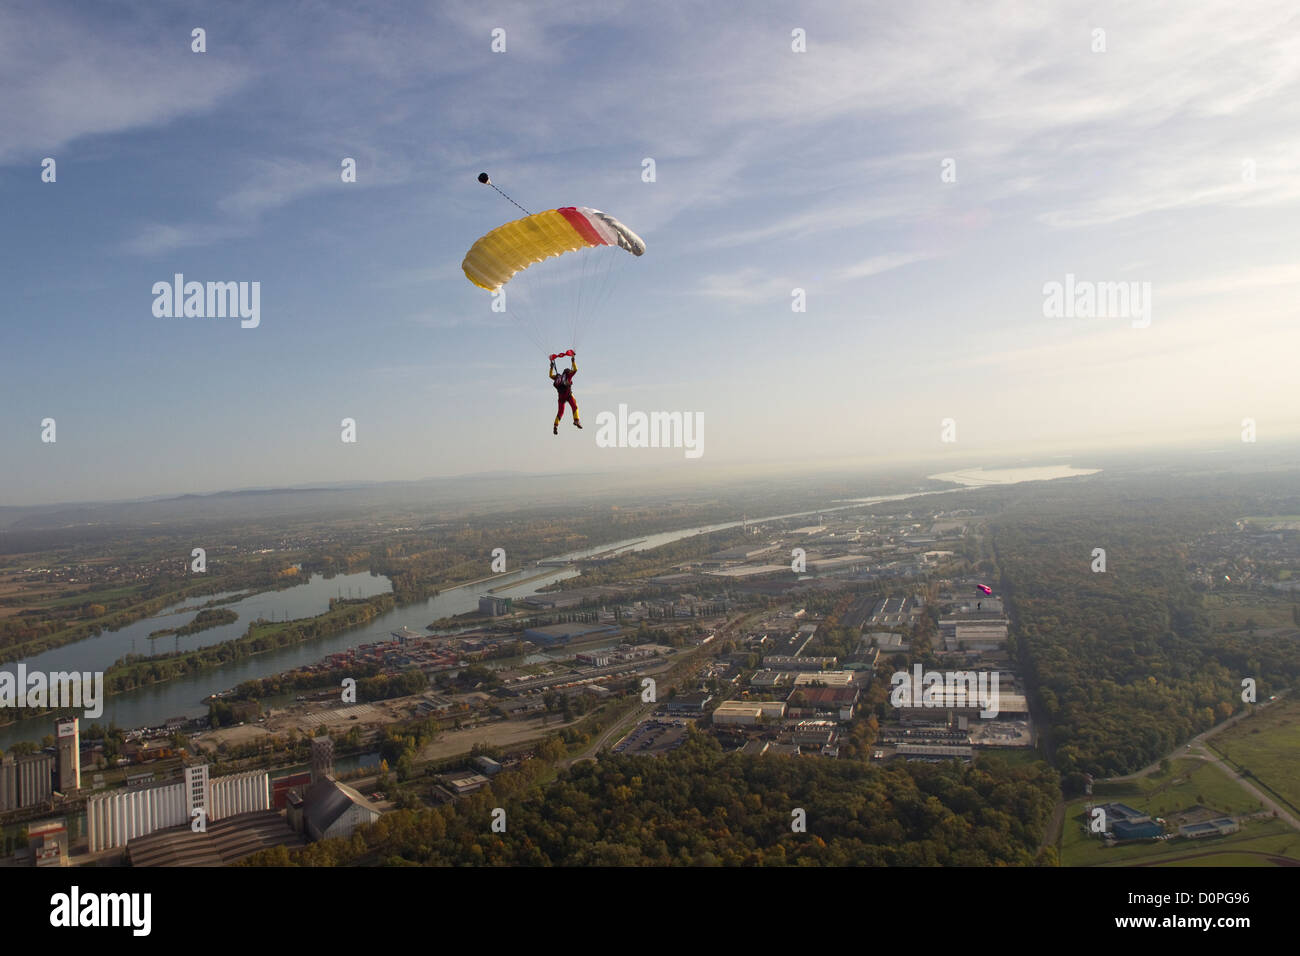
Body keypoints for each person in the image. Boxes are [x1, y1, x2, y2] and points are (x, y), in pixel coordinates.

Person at [549, 351, 580, 434]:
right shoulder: (568, 376)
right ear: (568, 372)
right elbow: (576, 369)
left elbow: (550, 375)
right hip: (568, 395)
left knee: (560, 412)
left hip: (561, 398)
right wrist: (573, 361)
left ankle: (555, 425)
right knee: (575, 406)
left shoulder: (558, 377)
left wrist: (552, 367)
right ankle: (576, 420)